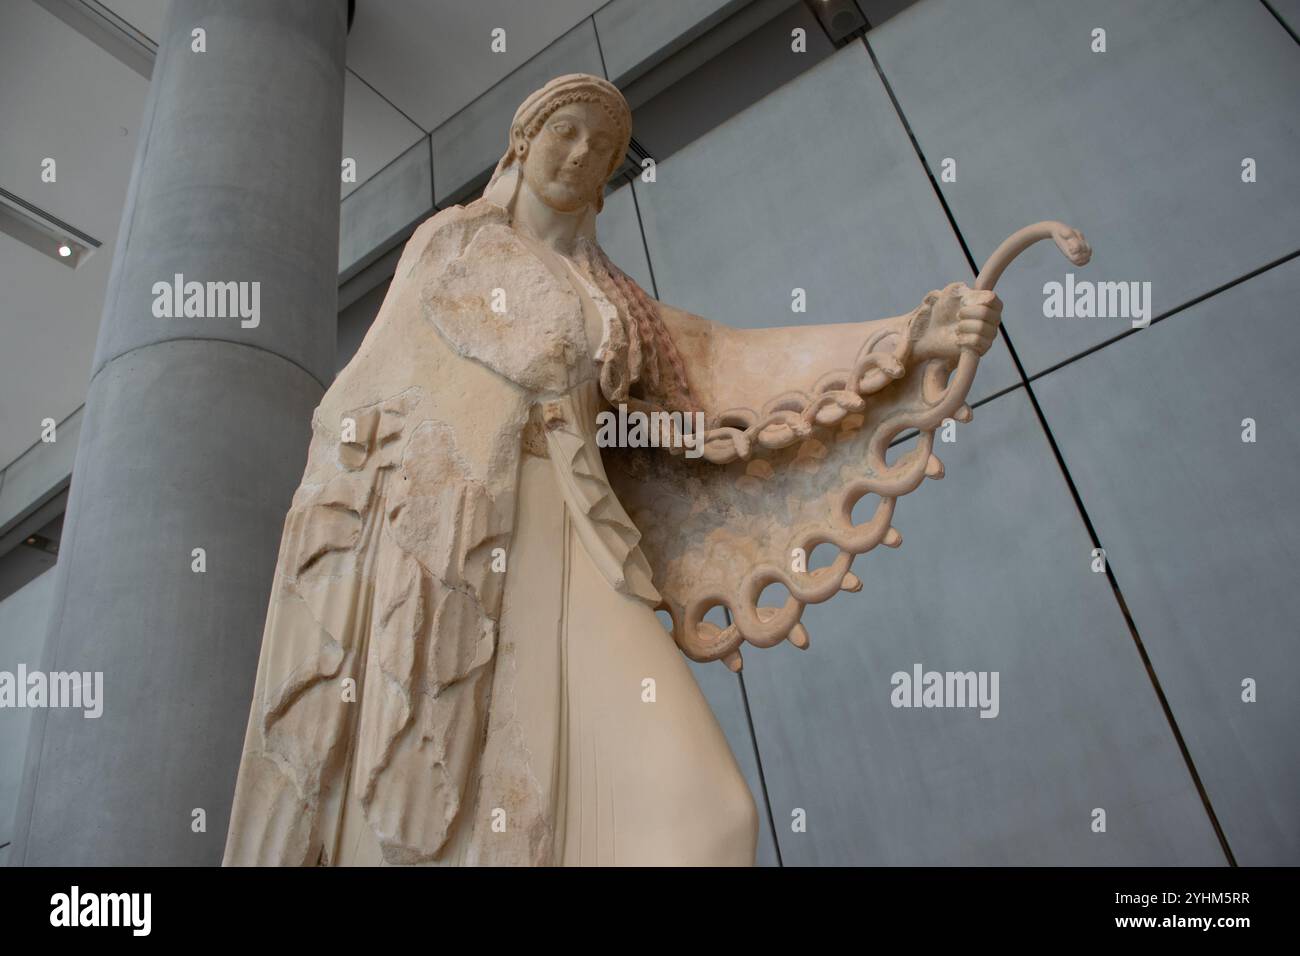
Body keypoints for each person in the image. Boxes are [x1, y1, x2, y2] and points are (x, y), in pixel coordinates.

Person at [222, 73, 1001, 867]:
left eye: (601, 148)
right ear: (522, 144)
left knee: (711, 817)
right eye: (566, 131)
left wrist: (910, 338)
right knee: (440, 817)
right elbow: (360, 405)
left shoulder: (616, 305)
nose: (581, 153)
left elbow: (730, 363)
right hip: (454, 550)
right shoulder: (452, 243)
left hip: (587, 547)